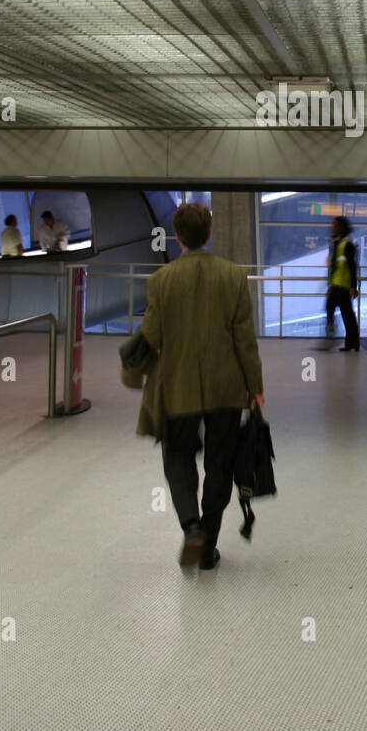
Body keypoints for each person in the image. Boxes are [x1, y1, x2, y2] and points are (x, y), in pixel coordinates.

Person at [137, 201, 264, 572]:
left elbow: (151, 335)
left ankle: (190, 525)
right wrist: (254, 386)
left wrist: (134, 372)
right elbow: (245, 340)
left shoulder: (161, 281)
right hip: (226, 388)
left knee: (177, 455)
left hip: (178, 388)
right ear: (209, 235)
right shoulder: (233, 276)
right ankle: (208, 543)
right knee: (220, 462)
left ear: (177, 237)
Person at [326, 215, 360, 352]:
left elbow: (352, 266)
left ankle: (343, 340)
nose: (332, 227)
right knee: (344, 313)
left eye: (335, 225)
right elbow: (334, 266)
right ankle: (351, 342)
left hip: (343, 286)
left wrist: (353, 286)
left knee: (345, 314)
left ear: (341, 228)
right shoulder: (338, 243)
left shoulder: (347, 244)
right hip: (336, 285)